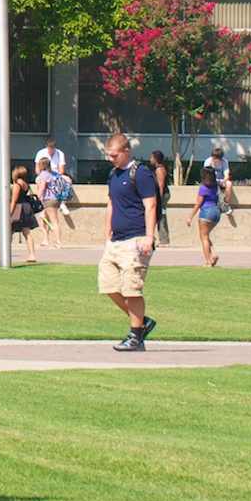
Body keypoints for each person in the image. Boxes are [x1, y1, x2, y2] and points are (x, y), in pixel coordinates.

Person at [101, 132, 160, 352]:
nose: (111, 159)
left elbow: (151, 206)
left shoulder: (141, 173)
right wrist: (107, 232)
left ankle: (135, 335)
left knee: (132, 288)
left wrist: (149, 237)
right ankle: (142, 321)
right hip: (116, 240)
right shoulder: (114, 174)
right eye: (109, 155)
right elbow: (111, 203)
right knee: (108, 284)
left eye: (115, 155)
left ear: (127, 151)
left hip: (136, 239)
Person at [190, 145, 228, 267]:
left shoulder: (203, 188)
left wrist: (190, 216)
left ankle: (207, 262)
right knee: (205, 235)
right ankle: (214, 253)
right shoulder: (215, 185)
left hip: (206, 212)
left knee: (204, 237)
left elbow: (198, 204)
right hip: (216, 212)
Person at [147, 149, 173, 246]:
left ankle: (164, 240)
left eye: (151, 157)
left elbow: (161, 185)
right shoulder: (159, 168)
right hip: (160, 195)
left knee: (161, 216)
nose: (150, 159)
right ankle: (162, 239)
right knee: (159, 216)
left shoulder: (160, 170)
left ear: (155, 159)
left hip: (162, 195)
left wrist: (159, 199)